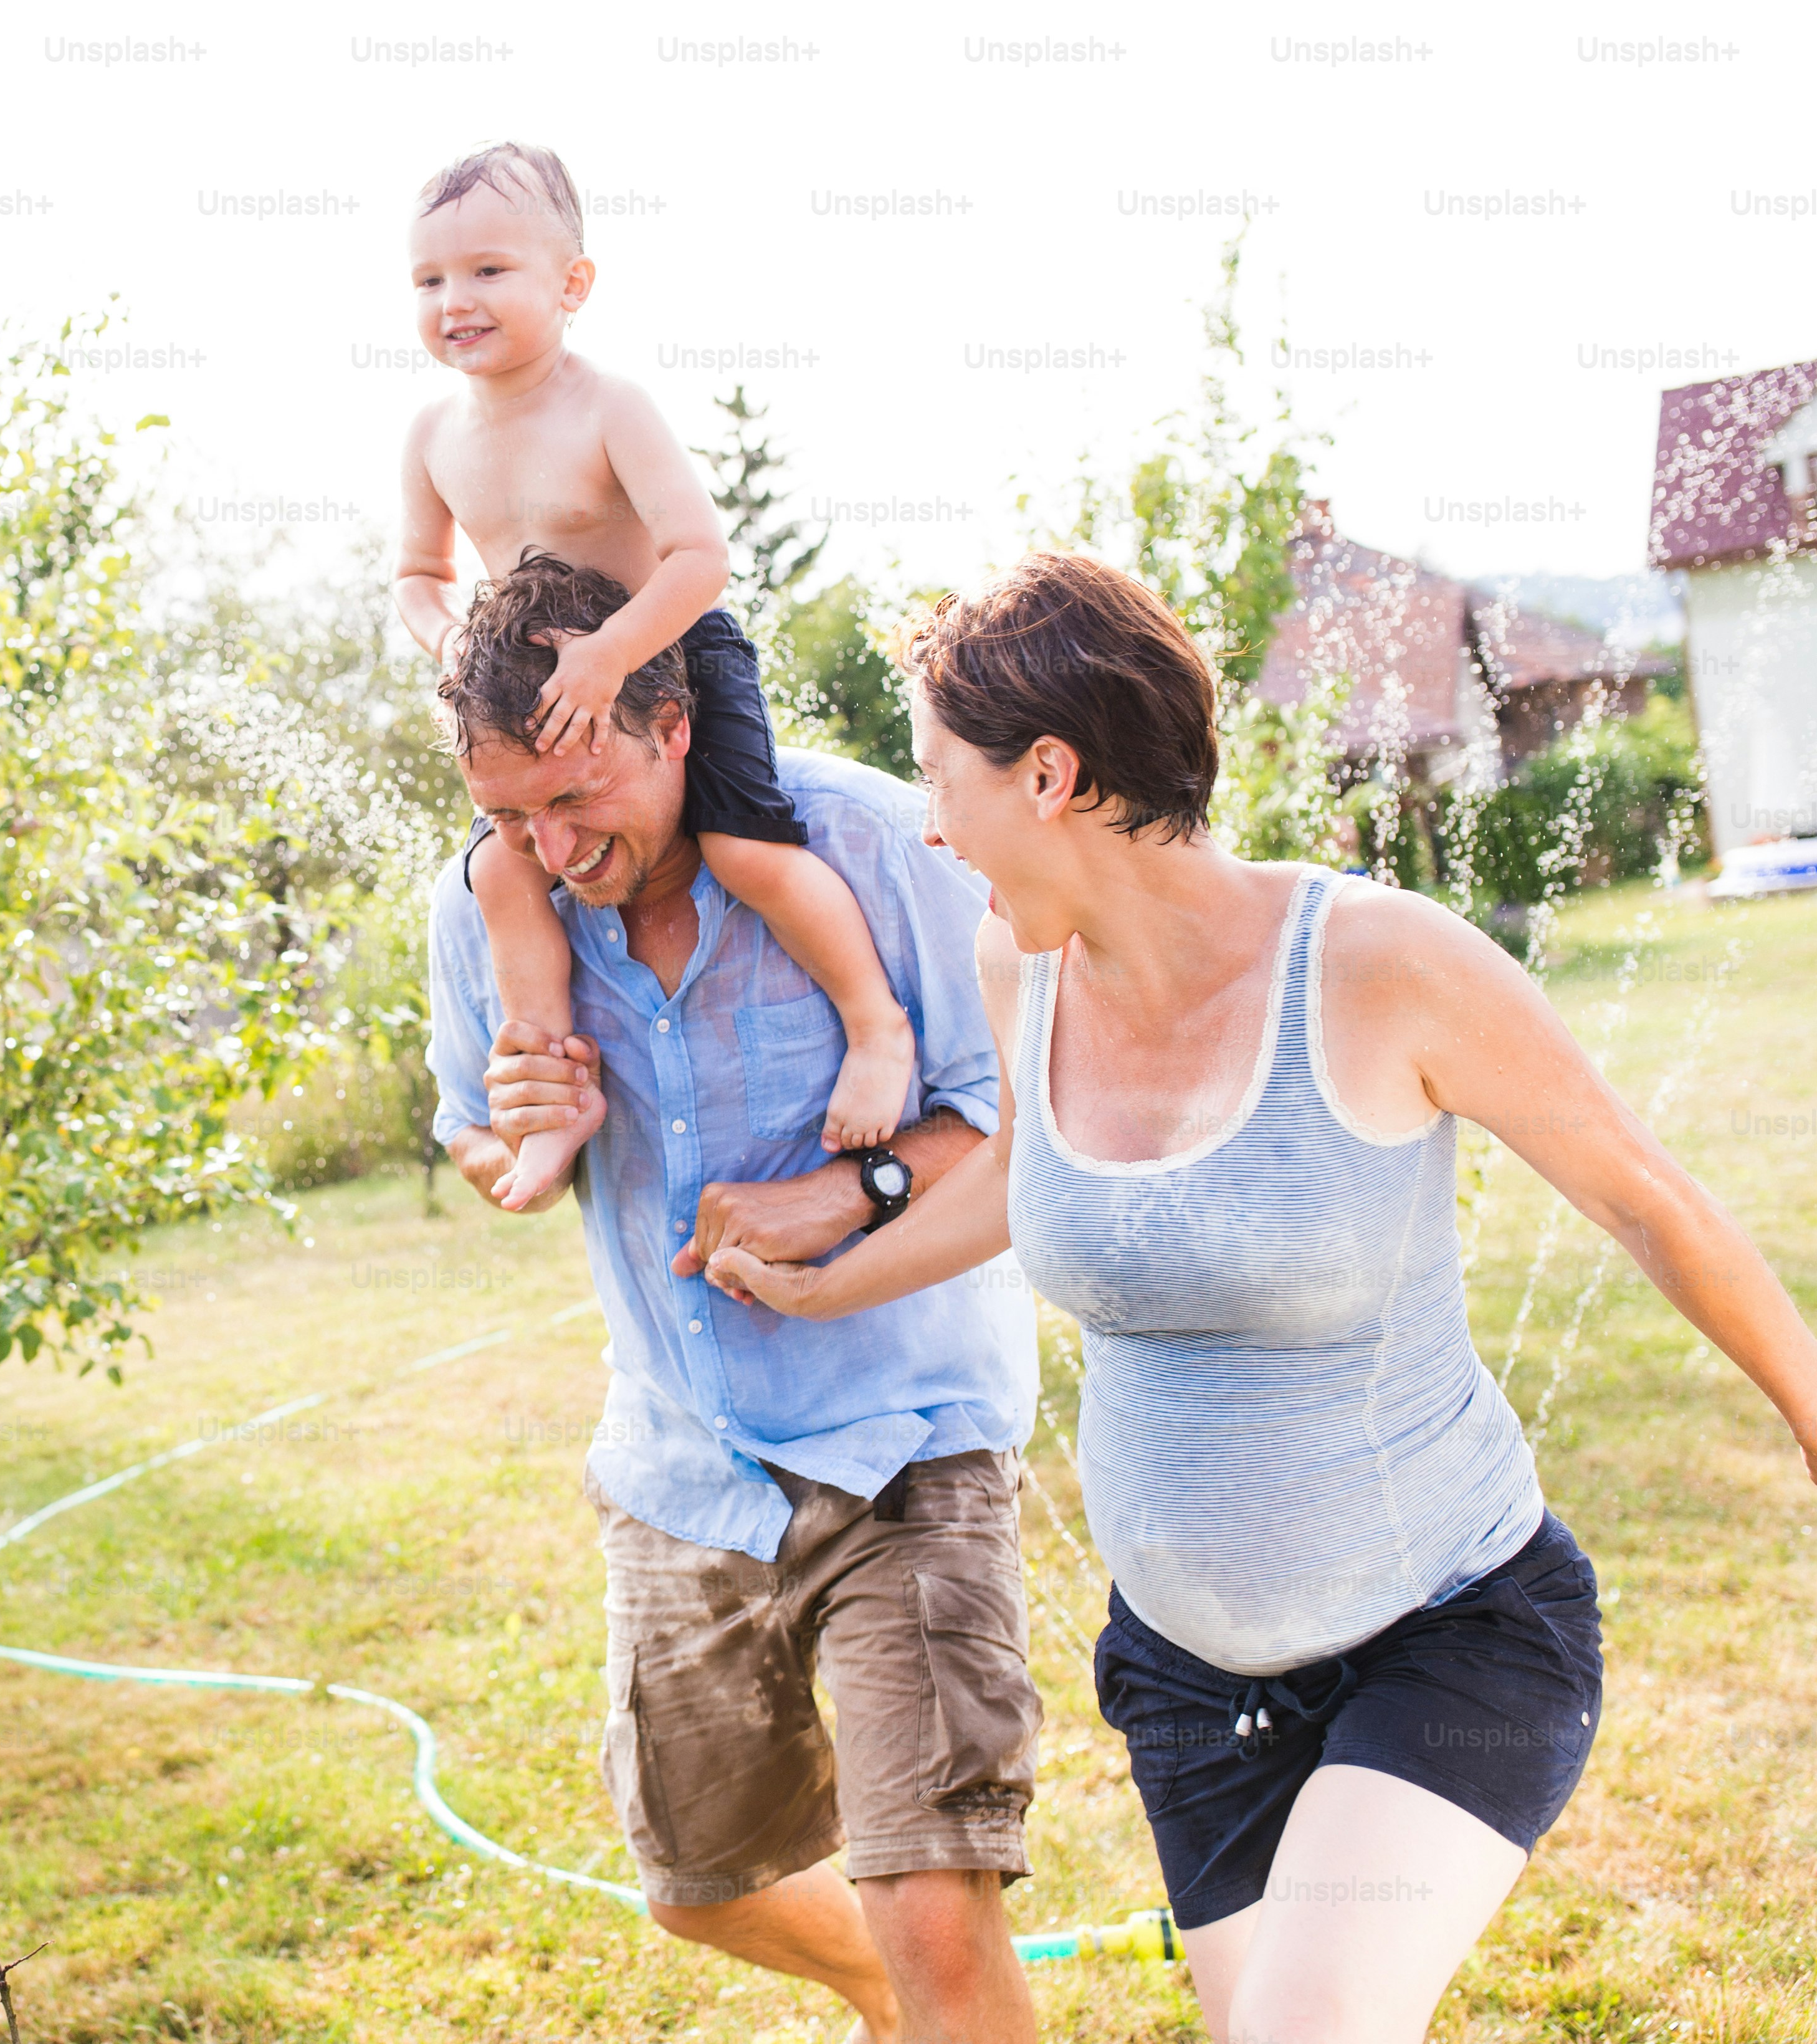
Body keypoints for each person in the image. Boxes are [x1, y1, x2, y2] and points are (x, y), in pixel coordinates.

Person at [705, 550, 1817, 2043]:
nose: (928, 824)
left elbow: (1643, 1194)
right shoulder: (1019, 966)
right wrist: (821, 1283)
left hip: (1448, 1633)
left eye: (938, 781)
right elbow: (1017, 1184)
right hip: (1185, 1684)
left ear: (1047, 772)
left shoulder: (1380, 963)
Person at [427, 552, 1041, 2044]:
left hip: (902, 1440)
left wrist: (853, 1192)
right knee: (698, 1882)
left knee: (931, 1899)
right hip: (682, 1470)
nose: (552, 848)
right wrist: (511, 1134)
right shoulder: (485, 897)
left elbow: (1009, 1109)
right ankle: (877, 2001)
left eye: (578, 800)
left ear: (672, 723)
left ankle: (919, 1989)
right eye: (510, 813)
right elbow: (468, 1129)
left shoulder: (878, 845)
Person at [393, 140, 913, 1211]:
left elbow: (699, 560)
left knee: (743, 847)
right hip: (536, 688)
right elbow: (416, 576)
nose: (456, 300)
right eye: (429, 280)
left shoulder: (606, 407)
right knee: (501, 872)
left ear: (573, 285)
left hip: (666, 649)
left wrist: (612, 653)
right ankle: (544, 1105)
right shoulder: (434, 433)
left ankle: (876, 1025)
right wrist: (457, 648)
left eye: (489, 270)